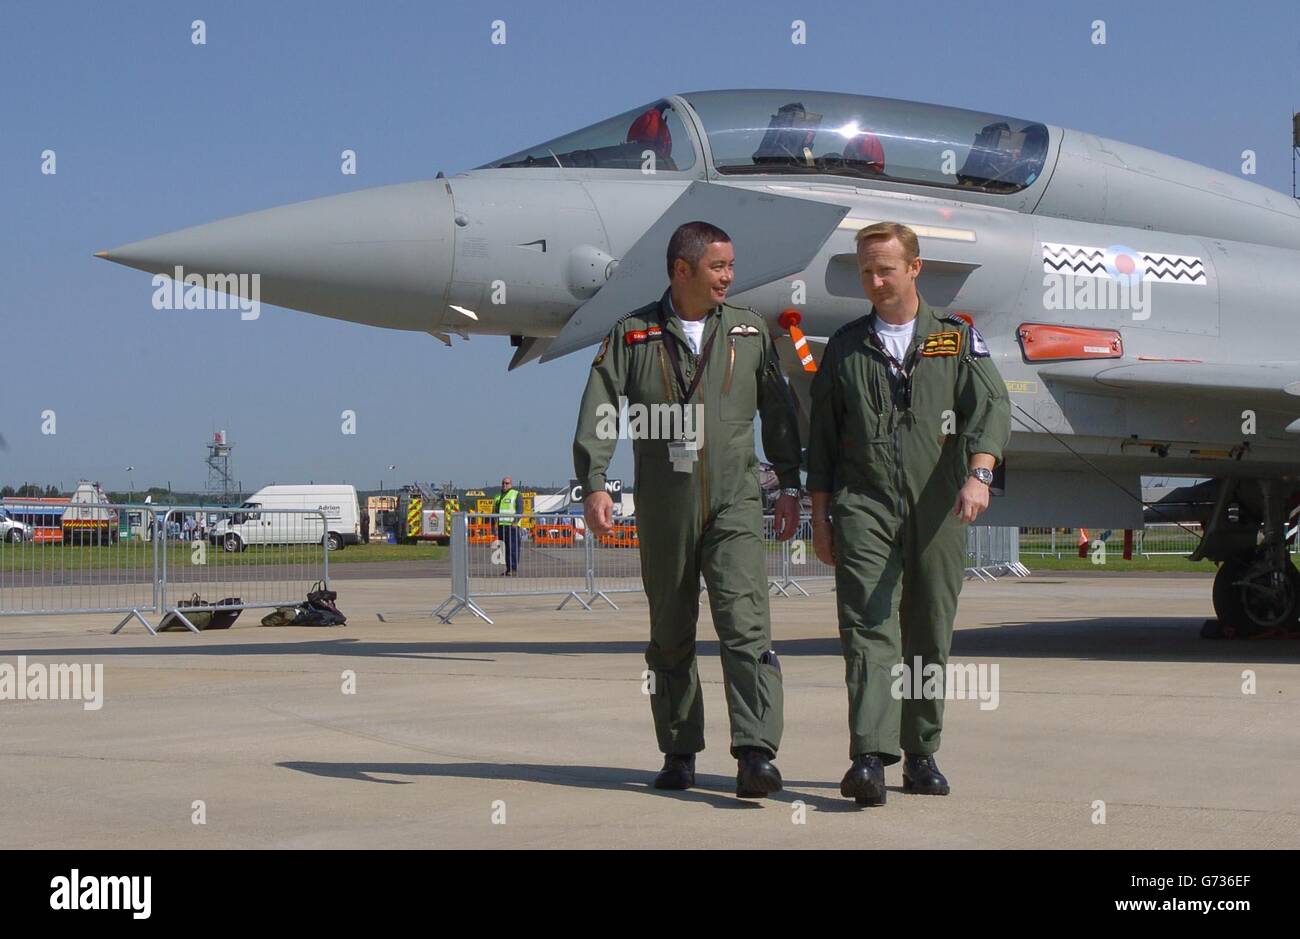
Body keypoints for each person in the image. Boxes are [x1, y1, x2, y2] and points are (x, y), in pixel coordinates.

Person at [573, 220, 803, 799]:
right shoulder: (632, 336)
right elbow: (601, 408)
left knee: (746, 626)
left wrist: (792, 483)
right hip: (665, 507)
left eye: (730, 266)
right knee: (670, 635)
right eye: (718, 266)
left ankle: (755, 753)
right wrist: (595, 482)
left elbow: (778, 414)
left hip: (735, 504)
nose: (729, 276)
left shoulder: (750, 331)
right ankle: (679, 751)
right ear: (682, 270)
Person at [806, 221, 1011, 806]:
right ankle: (869, 758)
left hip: (938, 505)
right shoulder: (846, 346)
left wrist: (979, 474)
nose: (873, 280)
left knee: (928, 629)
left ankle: (920, 754)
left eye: (885, 269)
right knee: (869, 626)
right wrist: (820, 517)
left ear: (914, 269)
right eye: (865, 270)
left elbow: (991, 405)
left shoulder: (953, 337)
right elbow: (822, 439)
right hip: (863, 504)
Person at [493, 477, 522, 576]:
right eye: (503, 483)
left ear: (511, 484)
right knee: (504, 548)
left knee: (513, 548)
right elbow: (495, 512)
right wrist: (495, 525)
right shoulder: (498, 496)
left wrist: (515, 521)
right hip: (502, 526)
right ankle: (508, 568)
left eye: (507, 483)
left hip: (512, 526)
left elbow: (520, 510)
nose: (504, 485)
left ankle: (513, 569)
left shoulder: (516, 494)